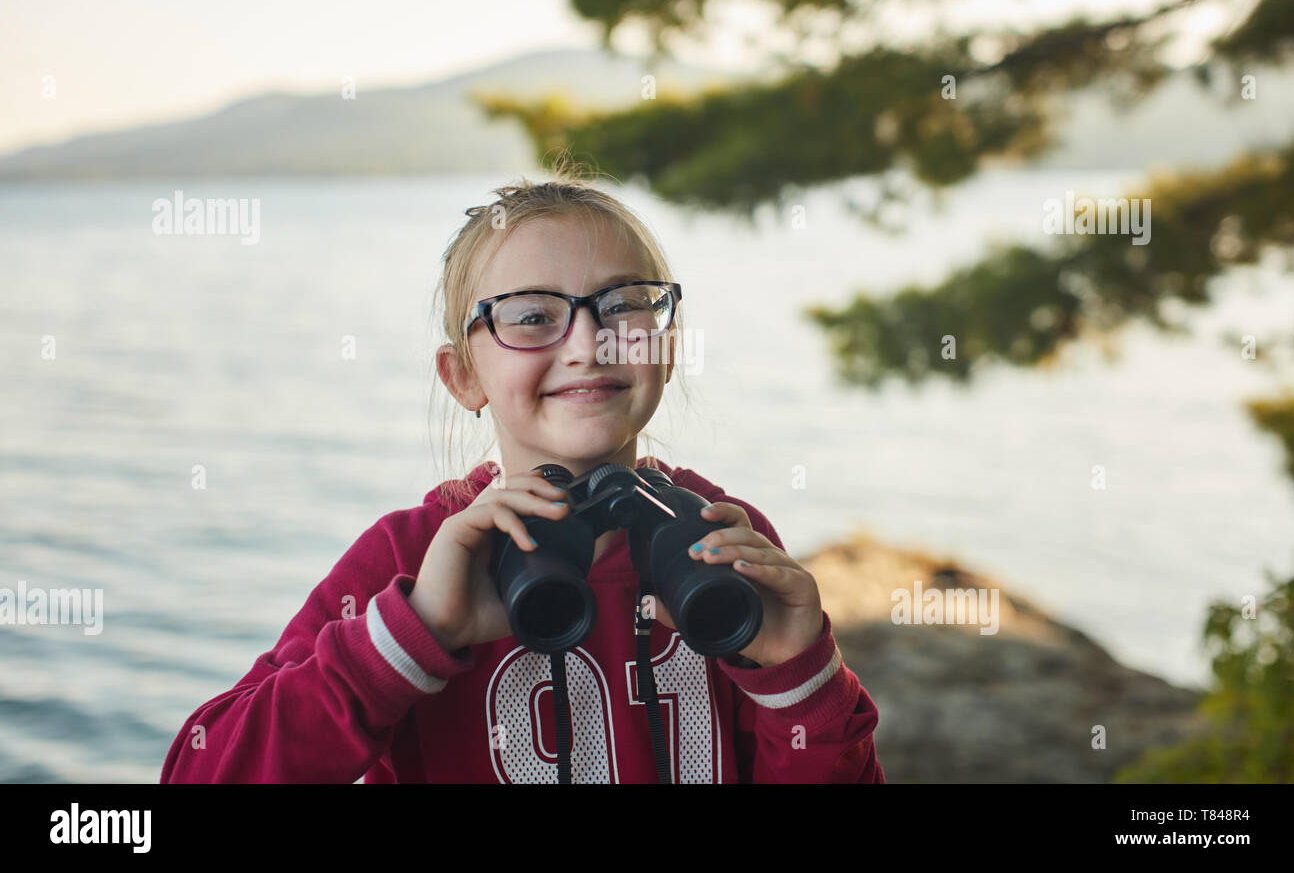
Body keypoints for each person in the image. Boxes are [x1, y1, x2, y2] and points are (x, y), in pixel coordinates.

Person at [160, 166, 887, 783]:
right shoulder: (411, 559)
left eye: (624, 306)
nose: (587, 343)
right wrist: (411, 637)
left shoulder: (719, 537)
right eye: (532, 316)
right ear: (464, 375)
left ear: (666, 346)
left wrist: (803, 680)